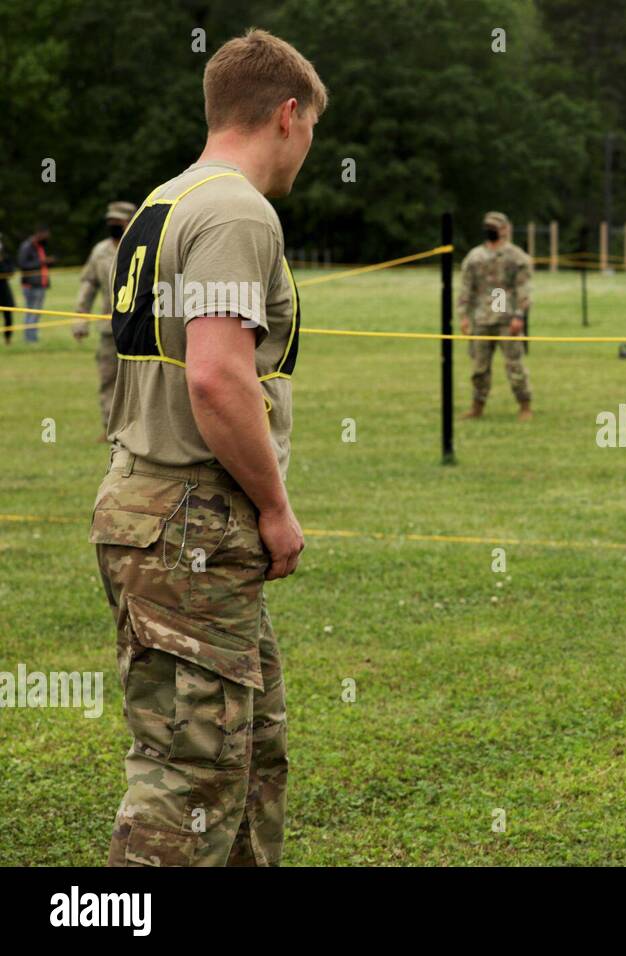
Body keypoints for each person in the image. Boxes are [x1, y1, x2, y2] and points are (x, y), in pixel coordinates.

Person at [90, 28, 325, 867]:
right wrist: (276, 507)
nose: (306, 152)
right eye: (310, 134)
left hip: (155, 507)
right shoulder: (234, 210)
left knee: (250, 749)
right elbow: (219, 380)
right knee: (191, 774)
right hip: (195, 519)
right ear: (287, 116)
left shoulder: (162, 204)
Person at [457, 211, 533, 421]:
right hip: (481, 319)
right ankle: (477, 407)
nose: (491, 230)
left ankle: (525, 405)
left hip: (506, 319)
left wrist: (519, 315)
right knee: (479, 366)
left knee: (514, 365)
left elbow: (523, 288)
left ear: (505, 229)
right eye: (488, 226)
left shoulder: (516, 257)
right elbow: (466, 288)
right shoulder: (475, 257)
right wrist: (463, 316)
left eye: (496, 227)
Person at [74, 201, 137, 437]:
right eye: (110, 222)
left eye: (118, 223)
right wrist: (80, 320)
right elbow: (88, 285)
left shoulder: (143, 245)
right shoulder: (100, 251)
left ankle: (136, 429)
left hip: (140, 327)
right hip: (109, 328)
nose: (114, 226)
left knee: (140, 381)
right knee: (108, 377)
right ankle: (110, 428)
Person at [17, 225, 53, 342]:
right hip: (31, 286)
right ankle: (30, 339)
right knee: (32, 312)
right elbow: (23, 265)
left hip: (39, 285)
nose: (47, 238)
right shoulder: (27, 246)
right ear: (39, 234)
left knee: (35, 312)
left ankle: (31, 338)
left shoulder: (39, 246)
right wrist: (42, 262)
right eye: (46, 235)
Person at [0, 235, 15, 345]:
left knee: (8, 316)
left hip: (4, 290)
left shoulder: (6, 258)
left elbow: (10, 272)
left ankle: (8, 339)